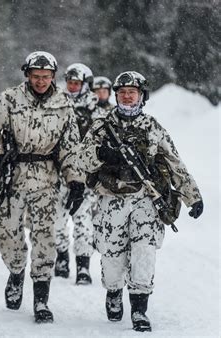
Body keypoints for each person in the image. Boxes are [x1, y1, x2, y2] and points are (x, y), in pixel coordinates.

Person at [79, 71, 204, 332]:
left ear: (141, 96)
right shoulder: (102, 127)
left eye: (132, 92)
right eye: (122, 92)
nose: (127, 96)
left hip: (145, 200)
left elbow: (174, 163)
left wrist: (193, 196)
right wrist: (103, 154)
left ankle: (139, 309)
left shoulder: (153, 127)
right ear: (116, 96)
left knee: (144, 254)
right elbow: (80, 161)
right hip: (110, 200)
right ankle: (113, 292)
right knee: (112, 257)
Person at [0, 51, 84, 323]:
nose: (41, 82)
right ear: (27, 75)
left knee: (45, 238)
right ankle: (16, 273)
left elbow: (71, 146)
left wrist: (75, 181)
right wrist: (0, 156)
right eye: (36, 76)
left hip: (47, 178)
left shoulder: (63, 104)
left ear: (53, 77)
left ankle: (41, 298)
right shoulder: (9, 99)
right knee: (8, 233)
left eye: (46, 77)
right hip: (12, 175)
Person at [54, 63, 102, 284]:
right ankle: (62, 256)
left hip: (85, 173)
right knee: (56, 219)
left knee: (83, 221)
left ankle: (83, 266)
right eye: (70, 82)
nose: (72, 87)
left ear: (86, 85)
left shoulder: (96, 111)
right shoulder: (56, 104)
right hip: (58, 171)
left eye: (77, 83)